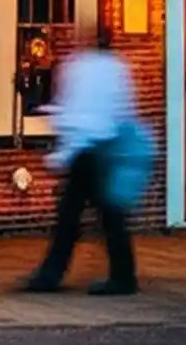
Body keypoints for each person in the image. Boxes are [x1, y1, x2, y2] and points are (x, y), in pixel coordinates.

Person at [25, 28, 139, 296]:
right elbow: (123, 110)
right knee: (109, 217)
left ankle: (52, 275)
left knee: (71, 217)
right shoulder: (118, 69)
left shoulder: (77, 68)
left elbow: (74, 113)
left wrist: (61, 154)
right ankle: (122, 275)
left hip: (85, 151)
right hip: (107, 148)